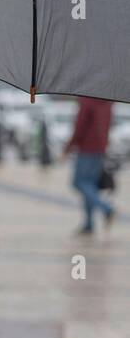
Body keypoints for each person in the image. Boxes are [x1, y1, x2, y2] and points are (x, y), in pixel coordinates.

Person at [63, 96, 115, 236]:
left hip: (86, 149)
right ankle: (89, 225)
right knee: (90, 185)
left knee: (79, 182)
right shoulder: (108, 102)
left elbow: (80, 127)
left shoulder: (87, 101)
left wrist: (68, 147)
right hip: (100, 148)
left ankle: (107, 209)